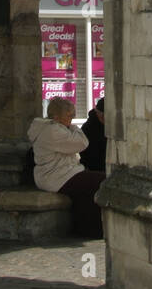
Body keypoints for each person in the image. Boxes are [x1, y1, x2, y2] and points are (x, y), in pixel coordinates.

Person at [27, 97, 104, 238]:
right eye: (69, 115)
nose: (72, 118)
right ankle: (92, 229)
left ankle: (89, 228)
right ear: (57, 116)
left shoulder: (52, 128)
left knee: (89, 185)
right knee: (100, 181)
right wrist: (74, 127)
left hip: (61, 174)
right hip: (58, 176)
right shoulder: (52, 131)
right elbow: (82, 143)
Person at [81, 96, 105, 172]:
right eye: (102, 116)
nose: (104, 119)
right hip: (93, 169)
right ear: (97, 112)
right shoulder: (87, 127)